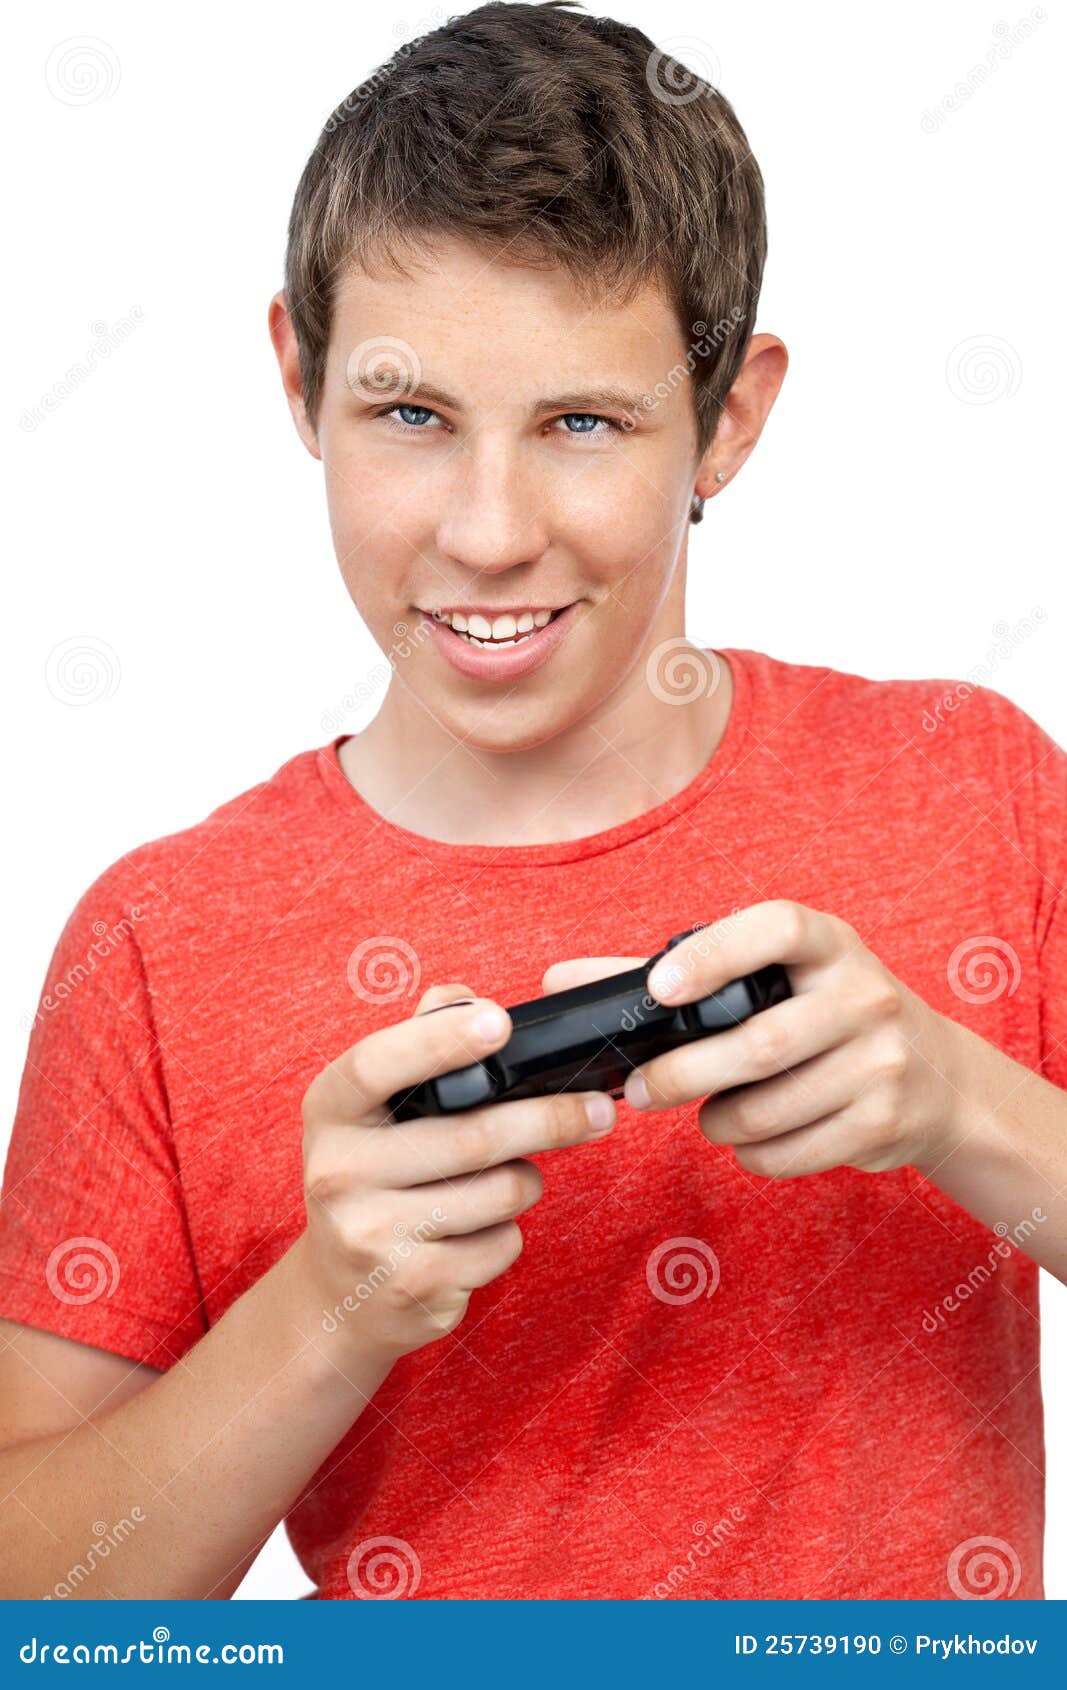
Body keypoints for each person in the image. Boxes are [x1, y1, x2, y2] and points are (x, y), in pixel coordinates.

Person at [0, 0, 1063, 1603]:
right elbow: (36, 1609)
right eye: (412, 416)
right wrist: (328, 1306)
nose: (489, 534)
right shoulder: (156, 941)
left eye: (583, 422)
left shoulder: (973, 782)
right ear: (299, 378)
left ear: (733, 415)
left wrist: (965, 1109)